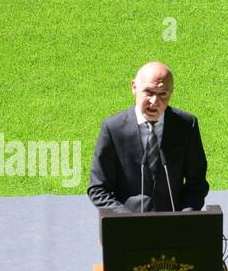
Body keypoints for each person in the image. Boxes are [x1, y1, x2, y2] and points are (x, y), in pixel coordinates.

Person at [87, 62, 208, 212]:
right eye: (149, 92)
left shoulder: (186, 125)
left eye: (163, 94)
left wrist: (185, 216)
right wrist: (127, 219)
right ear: (134, 87)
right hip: (127, 226)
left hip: (174, 225)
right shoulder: (113, 129)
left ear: (171, 93)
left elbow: (197, 184)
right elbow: (98, 189)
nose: (154, 102)